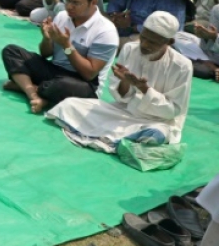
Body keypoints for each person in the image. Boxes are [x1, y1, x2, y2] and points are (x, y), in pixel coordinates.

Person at [46, 12, 193, 154]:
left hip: (157, 121)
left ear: (169, 42)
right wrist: (125, 82)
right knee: (69, 105)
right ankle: (121, 141)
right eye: (143, 37)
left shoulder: (182, 66)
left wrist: (144, 89)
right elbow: (120, 98)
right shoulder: (130, 49)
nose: (144, 44)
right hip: (123, 112)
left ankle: (117, 138)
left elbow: (174, 110)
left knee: (156, 134)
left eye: (153, 42)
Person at [1, 0, 119, 113]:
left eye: (76, 3)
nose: (69, 6)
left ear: (93, 2)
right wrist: (46, 39)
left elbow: (89, 74)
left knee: (61, 85)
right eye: (67, 0)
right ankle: (34, 94)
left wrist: (66, 46)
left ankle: (26, 86)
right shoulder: (63, 16)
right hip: (54, 71)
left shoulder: (105, 31)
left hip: (83, 84)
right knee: (11, 51)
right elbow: (45, 54)